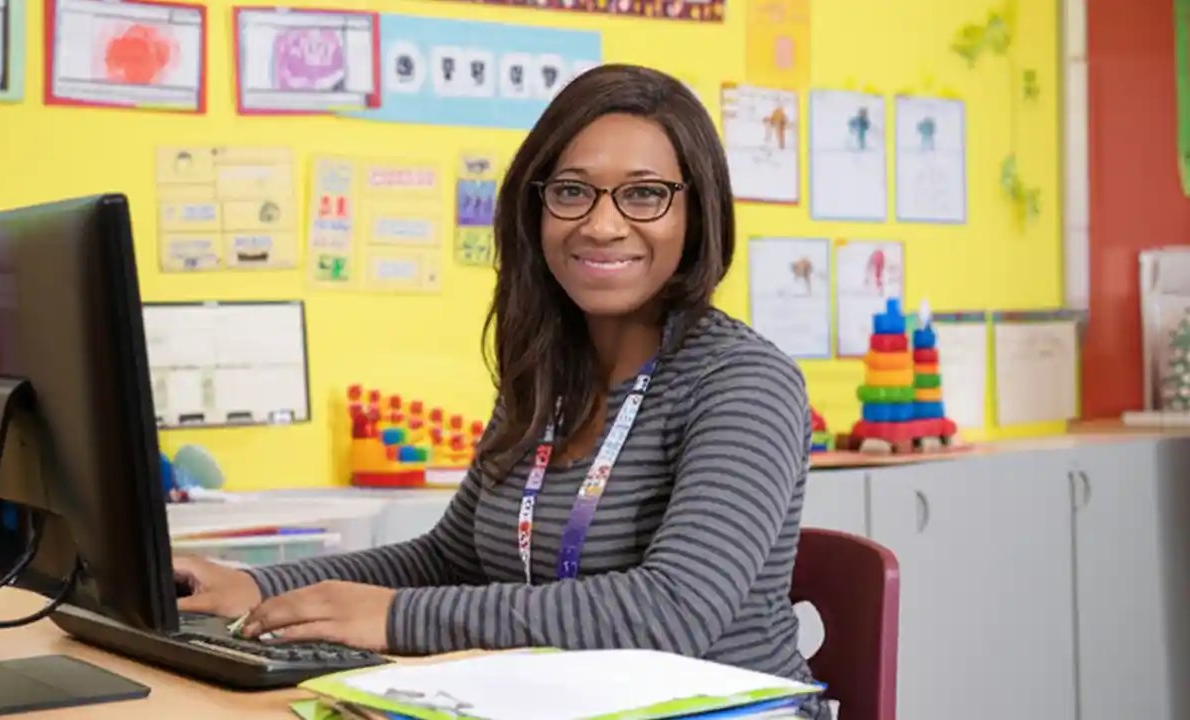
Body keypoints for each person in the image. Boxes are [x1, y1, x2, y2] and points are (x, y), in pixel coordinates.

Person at [175, 63, 827, 719]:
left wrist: (396, 619)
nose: (602, 225)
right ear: (535, 206)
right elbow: (450, 558)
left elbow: (669, 613)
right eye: (572, 191)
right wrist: (258, 587)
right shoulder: (544, 375)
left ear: (697, 212)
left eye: (644, 194)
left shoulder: (745, 383)